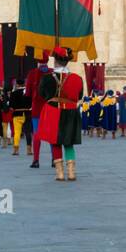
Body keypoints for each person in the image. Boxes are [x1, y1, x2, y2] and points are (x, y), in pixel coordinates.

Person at [36, 48, 83, 180]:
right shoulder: (77, 78)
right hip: (71, 111)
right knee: (69, 143)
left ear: (55, 60)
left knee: (55, 142)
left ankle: (60, 174)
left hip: (53, 111)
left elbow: (41, 94)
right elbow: (80, 95)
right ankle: (72, 173)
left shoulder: (47, 78)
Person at [26, 54, 50, 169]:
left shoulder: (32, 73)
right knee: (52, 134)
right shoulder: (52, 72)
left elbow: (28, 93)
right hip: (51, 108)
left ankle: (36, 160)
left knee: (36, 134)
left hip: (37, 109)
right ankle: (55, 159)